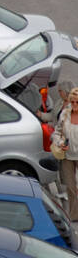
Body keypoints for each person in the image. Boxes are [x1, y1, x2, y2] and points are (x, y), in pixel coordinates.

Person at [51, 88, 78, 222]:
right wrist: (60, 142)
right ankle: (74, 216)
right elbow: (56, 133)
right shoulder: (65, 114)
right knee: (70, 187)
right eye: (72, 102)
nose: (74, 105)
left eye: (77, 102)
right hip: (67, 156)